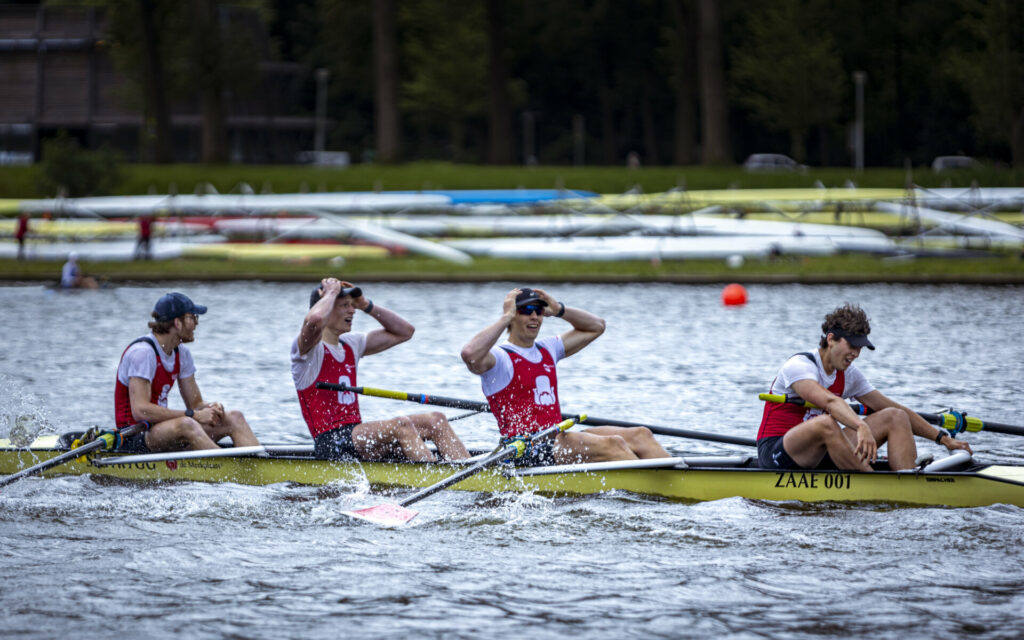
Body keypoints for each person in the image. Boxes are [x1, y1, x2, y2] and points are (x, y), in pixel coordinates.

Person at [461, 287, 670, 466]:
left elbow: (597, 326)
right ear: (513, 314)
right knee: (614, 444)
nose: (534, 316)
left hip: (557, 439)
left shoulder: (548, 348)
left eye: (539, 311)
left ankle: (677, 481)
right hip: (524, 449)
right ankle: (656, 497)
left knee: (641, 435)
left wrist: (559, 309)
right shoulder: (499, 358)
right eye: (526, 310)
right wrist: (505, 316)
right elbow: (469, 354)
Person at [757, 303, 972, 472]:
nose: (856, 354)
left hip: (820, 451)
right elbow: (831, 402)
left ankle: (907, 479)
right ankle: (872, 483)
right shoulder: (799, 366)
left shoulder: (849, 375)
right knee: (826, 422)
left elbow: (890, 406)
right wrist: (861, 427)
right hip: (778, 452)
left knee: (894, 416)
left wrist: (943, 438)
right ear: (831, 339)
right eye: (852, 345)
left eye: (860, 347)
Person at [293, 277, 469, 462]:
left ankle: (470, 473)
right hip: (330, 443)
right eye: (345, 305)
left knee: (436, 420)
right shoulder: (306, 351)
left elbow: (405, 331)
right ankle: (438, 479)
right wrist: (329, 294)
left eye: (352, 305)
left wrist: (366, 305)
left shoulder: (351, 344)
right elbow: (314, 320)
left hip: (358, 438)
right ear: (326, 309)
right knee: (401, 425)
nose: (352, 311)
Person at [114, 292, 260, 453]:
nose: (196, 324)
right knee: (188, 424)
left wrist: (211, 407)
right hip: (134, 435)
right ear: (177, 323)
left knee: (234, 417)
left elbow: (195, 404)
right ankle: (229, 472)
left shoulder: (181, 354)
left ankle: (261, 468)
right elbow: (141, 410)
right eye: (193, 318)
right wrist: (194, 415)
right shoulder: (143, 353)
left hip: (162, 430)